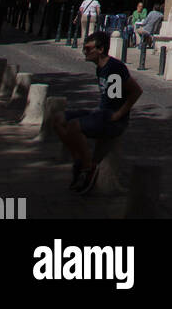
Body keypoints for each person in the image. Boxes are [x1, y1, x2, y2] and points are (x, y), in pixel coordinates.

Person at [53, 29, 143, 194]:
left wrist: (119, 114)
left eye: (88, 49)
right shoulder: (100, 67)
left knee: (74, 126)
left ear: (100, 50)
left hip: (112, 118)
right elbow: (109, 98)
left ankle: (88, 169)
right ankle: (79, 160)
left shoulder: (114, 68)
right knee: (58, 119)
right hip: (101, 113)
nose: (84, 52)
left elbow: (135, 91)